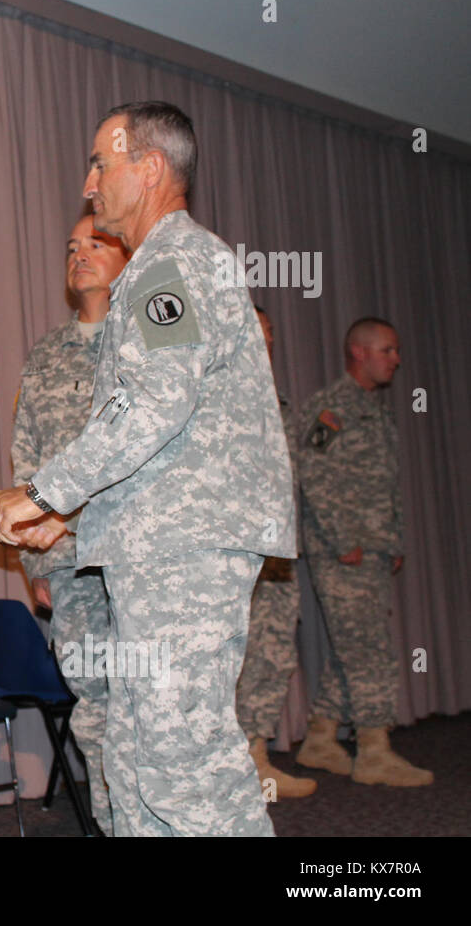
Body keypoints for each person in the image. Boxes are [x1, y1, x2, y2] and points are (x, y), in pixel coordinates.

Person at [0, 101, 295, 836]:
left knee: (184, 761)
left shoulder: (170, 266)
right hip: (157, 544)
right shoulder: (158, 269)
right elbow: (161, 425)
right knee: (131, 757)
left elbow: (157, 402)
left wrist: (42, 490)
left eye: (101, 162)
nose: (89, 183)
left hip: (184, 548)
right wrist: (66, 514)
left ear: (150, 167)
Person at [10, 213, 127, 834]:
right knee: (98, 712)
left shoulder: (146, 341)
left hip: (139, 556)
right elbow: (26, 463)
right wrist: (37, 560)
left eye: (96, 243)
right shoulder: (46, 354)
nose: (79, 255)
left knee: (156, 709)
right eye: (71, 246)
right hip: (72, 566)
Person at [292, 318, 431, 786]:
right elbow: (312, 474)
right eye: (387, 350)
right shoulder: (331, 408)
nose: (396, 360)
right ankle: (374, 749)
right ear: (359, 352)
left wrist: (393, 540)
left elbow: (385, 483)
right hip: (343, 552)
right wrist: (341, 539)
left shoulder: (376, 409)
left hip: (371, 549)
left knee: (351, 646)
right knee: (370, 649)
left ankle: (320, 738)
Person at [235, 307, 317, 798]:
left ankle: (256, 756)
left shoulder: (279, 403)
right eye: (257, 333)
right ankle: (234, 767)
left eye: (271, 336)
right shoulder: (221, 395)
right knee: (237, 657)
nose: (266, 343)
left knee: (273, 655)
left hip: (280, 556)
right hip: (242, 556)